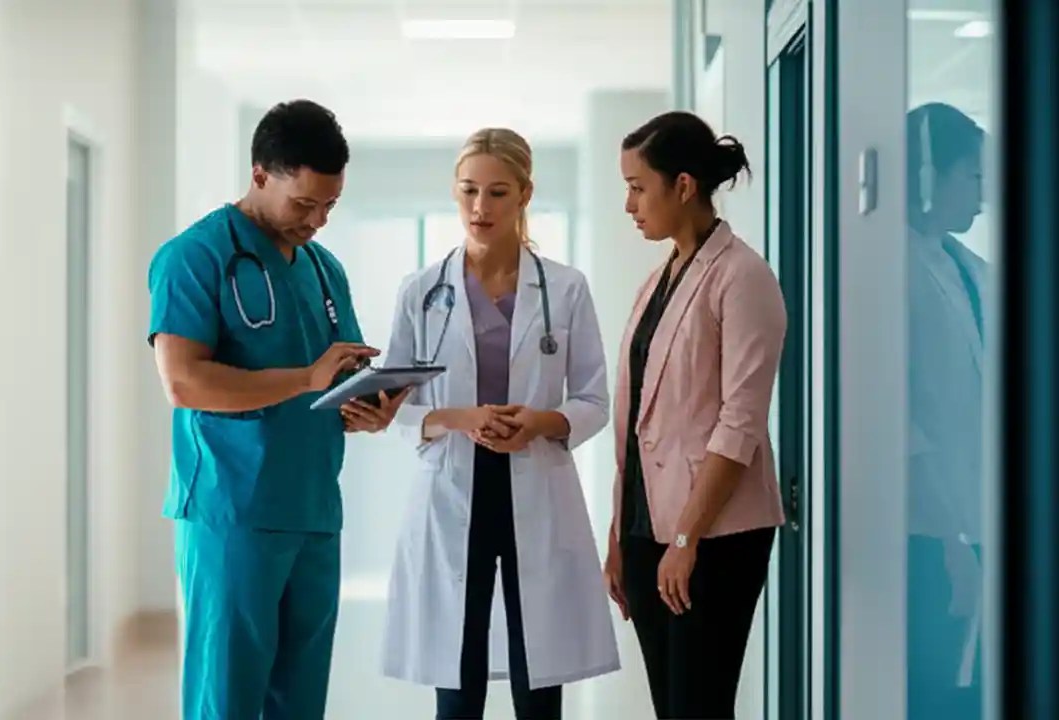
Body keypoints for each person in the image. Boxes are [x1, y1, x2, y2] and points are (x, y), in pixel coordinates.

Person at [147, 99, 402, 720]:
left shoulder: (322, 267)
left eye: (329, 207)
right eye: (303, 204)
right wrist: (306, 380)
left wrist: (369, 404)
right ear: (260, 174)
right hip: (233, 512)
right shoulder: (194, 257)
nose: (316, 221)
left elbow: (334, 376)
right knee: (227, 696)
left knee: (300, 699)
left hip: (312, 508)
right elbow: (183, 382)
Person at [378, 128, 620, 719]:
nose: (480, 209)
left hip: (534, 489)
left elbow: (594, 398)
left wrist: (541, 421)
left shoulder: (565, 289)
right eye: (468, 192)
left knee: (537, 679)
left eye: (497, 193)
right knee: (458, 684)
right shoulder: (420, 291)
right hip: (454, 491)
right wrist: (458, 417)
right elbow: (393, 409)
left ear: (524, 195)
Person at [603, 111, 786, 719]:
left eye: (638, 186)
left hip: (714, 533)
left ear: (683, 186)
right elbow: (638, 419)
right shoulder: (657, 280)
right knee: (671, 707)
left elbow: (741, 420)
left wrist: (686, 537)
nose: (629, 203)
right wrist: (619, 534)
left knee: (699, 706)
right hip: (647, 527)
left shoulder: (743, 277)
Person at [905, 101, 989, 719]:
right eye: (974, 178)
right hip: (927, 531)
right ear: (930, 176)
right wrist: (950, 538)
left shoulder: (970, 268)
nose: (983, 197)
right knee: (934, 691)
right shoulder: (886, 268)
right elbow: (899, 418)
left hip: (979, 520)